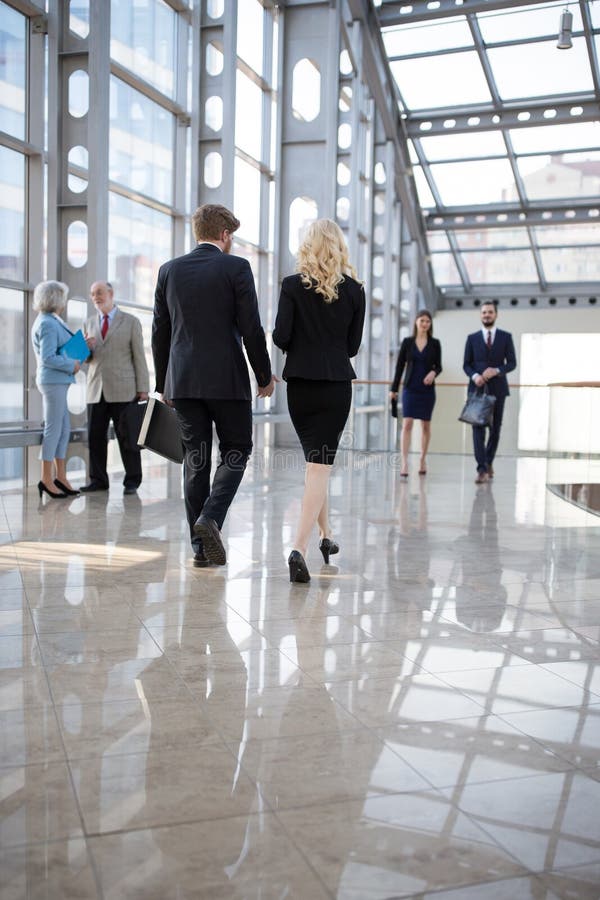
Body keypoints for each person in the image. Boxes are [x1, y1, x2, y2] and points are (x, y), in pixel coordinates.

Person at [152, 203, 276, 568]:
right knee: (237, 449)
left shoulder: (168, 271)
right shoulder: (236, 268)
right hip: (227, 380)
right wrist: (264, 375)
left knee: (195, 461)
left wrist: (164, 384)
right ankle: (211, 519)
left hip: (184, 381)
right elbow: (251, 328)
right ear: (224, 235)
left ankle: (201, 550)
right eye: (232, 236)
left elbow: (161, 332)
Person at [273, 218, 365, 584]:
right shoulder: (355, 290)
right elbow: (353, 347)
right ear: (339, 246)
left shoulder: (292, 285)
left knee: (316, 465)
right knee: (319, 466)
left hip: (300, 385)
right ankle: (299, 548)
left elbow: (281, 336)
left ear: (307, 245)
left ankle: (327, 537)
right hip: (336, 384)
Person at [81, 281, 149, 495]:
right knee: (95, 437)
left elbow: (139, 357)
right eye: (92, 294)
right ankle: (98, 480)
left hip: (124, 389)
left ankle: (132, 480)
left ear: (111, 293)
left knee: (127, 436)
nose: (95, 297)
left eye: (99, 292)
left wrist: (143, 388)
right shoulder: (89, 323)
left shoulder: (130, 321)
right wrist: (86, 349)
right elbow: (86, 359)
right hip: (96, 390)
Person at [31, 280, 81, 499]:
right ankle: (46, 478)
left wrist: (81, 347)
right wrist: (73, 364)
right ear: (55, 298)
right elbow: (48, 357)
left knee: (63, 429)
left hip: (59, 381)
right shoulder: (47, 324)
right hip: (53, 382)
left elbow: (60, 349)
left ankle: (60, 476)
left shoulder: (52, 320)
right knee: (53, 430)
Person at [463, 301, 516, 484]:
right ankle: (481, 469)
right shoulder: (472, 338)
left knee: (495, 429)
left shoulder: (505, 337)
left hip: (498, 390)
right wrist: (475, 376)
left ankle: (488, 461)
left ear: (496, 314)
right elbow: (466, 364)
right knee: (477, 429)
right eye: (484, 312)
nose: (487, 315)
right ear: (480, 315)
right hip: (477, 390)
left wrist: (497, 370)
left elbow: (512, 363)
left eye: (490, 312)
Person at [389, 310, 442, 477]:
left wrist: (433, 373)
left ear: (430, 324)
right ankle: (404, 462)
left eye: (428, 321)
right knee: (407, 424)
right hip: (410, 388)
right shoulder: (407, 342)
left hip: (427, 390)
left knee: (426, 425)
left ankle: (422, 459)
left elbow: (438, 366)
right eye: (422, 321)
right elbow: (399, 367)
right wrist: (394, 389)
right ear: (416, 322)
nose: (425, 324)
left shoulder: (435, 343)